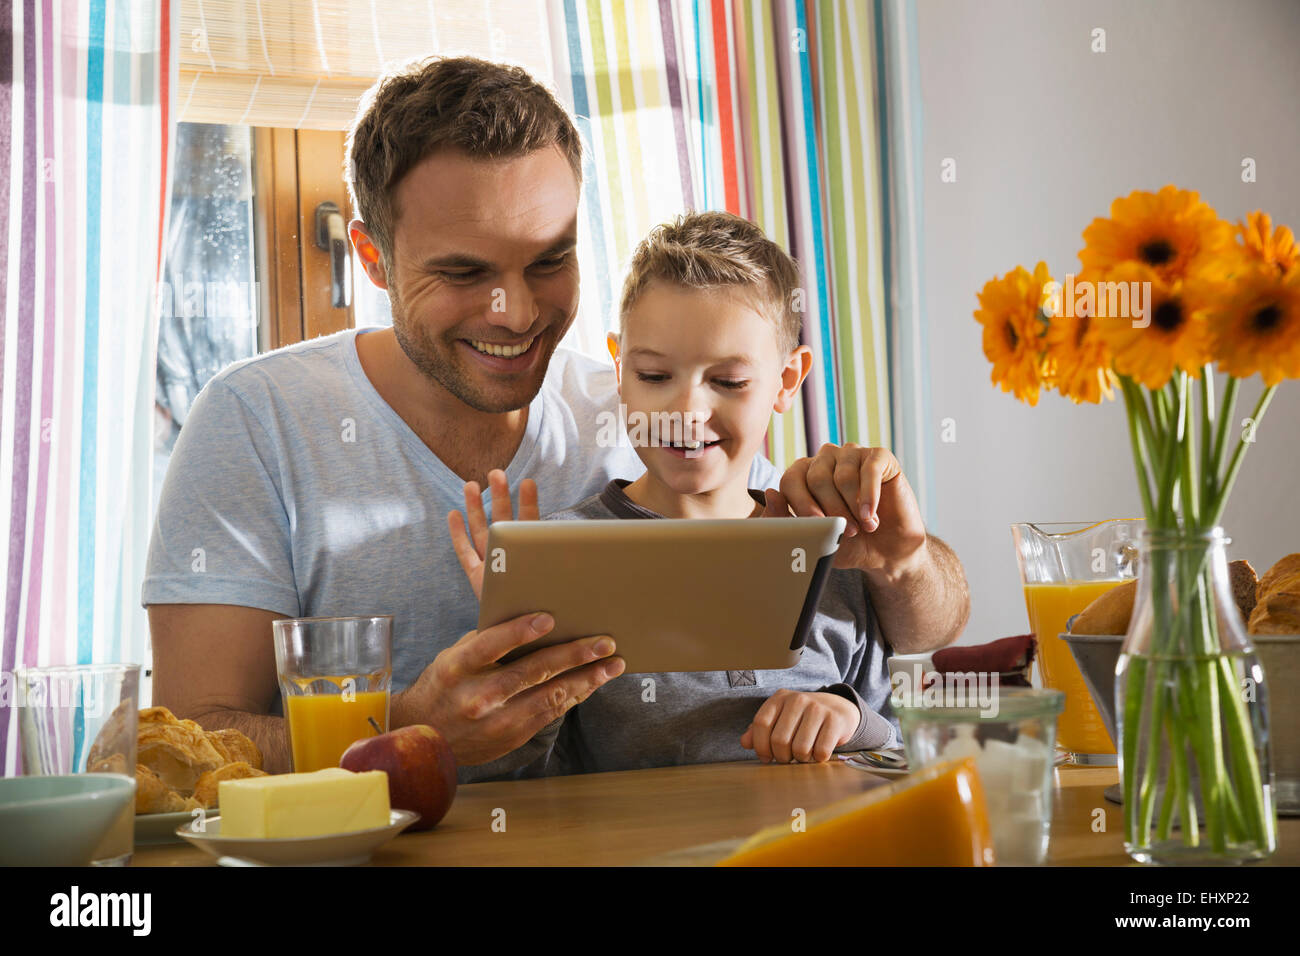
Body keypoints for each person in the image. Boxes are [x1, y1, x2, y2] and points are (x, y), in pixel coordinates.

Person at [142, 57, 781, 780]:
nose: (516, 313)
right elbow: (189, 746)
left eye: (549, 260)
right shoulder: (255, 421)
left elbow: (837, 623)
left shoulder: (656, 409)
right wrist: (409, 728)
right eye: (464, 273)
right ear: (373, 259)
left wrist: (904, 559)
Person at [449, 211, 971, 774]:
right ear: (619, 367)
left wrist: (846, 717)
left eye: (728, 382)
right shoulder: (559, 557)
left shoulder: (832, 546)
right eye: (653, 376)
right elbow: (514, 784)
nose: (687, 410)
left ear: (787, 381)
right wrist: (519, 662)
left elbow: (894, 742)